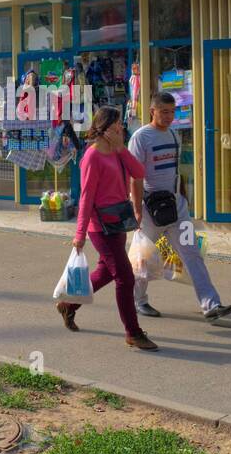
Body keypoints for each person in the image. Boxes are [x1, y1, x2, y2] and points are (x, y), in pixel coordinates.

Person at [128, 92, 231, 323]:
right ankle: (139, 301)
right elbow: (135, 177)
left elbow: (176, 172)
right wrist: (137, 210)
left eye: (172, 111)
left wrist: (183, 199)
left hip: (176, 207)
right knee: (144, 257)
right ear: (152, 111)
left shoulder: (174, 135)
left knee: (191, 252)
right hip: (149, 208)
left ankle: (211, 304)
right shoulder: (140, 137)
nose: (169, 116)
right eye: (164, 111)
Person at [56, 106, 157, 351]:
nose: (120, 128)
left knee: (107, 271)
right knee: (124, 276)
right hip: (100, 226)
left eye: (121, 124)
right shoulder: (92, 156)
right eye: (116, 125)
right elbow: (86, 197)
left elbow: (139, 172)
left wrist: (122, 148)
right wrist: (79, 235)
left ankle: (69, 304)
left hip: (119, 221)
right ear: (103, 128)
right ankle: (133, 332)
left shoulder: (116, 152)